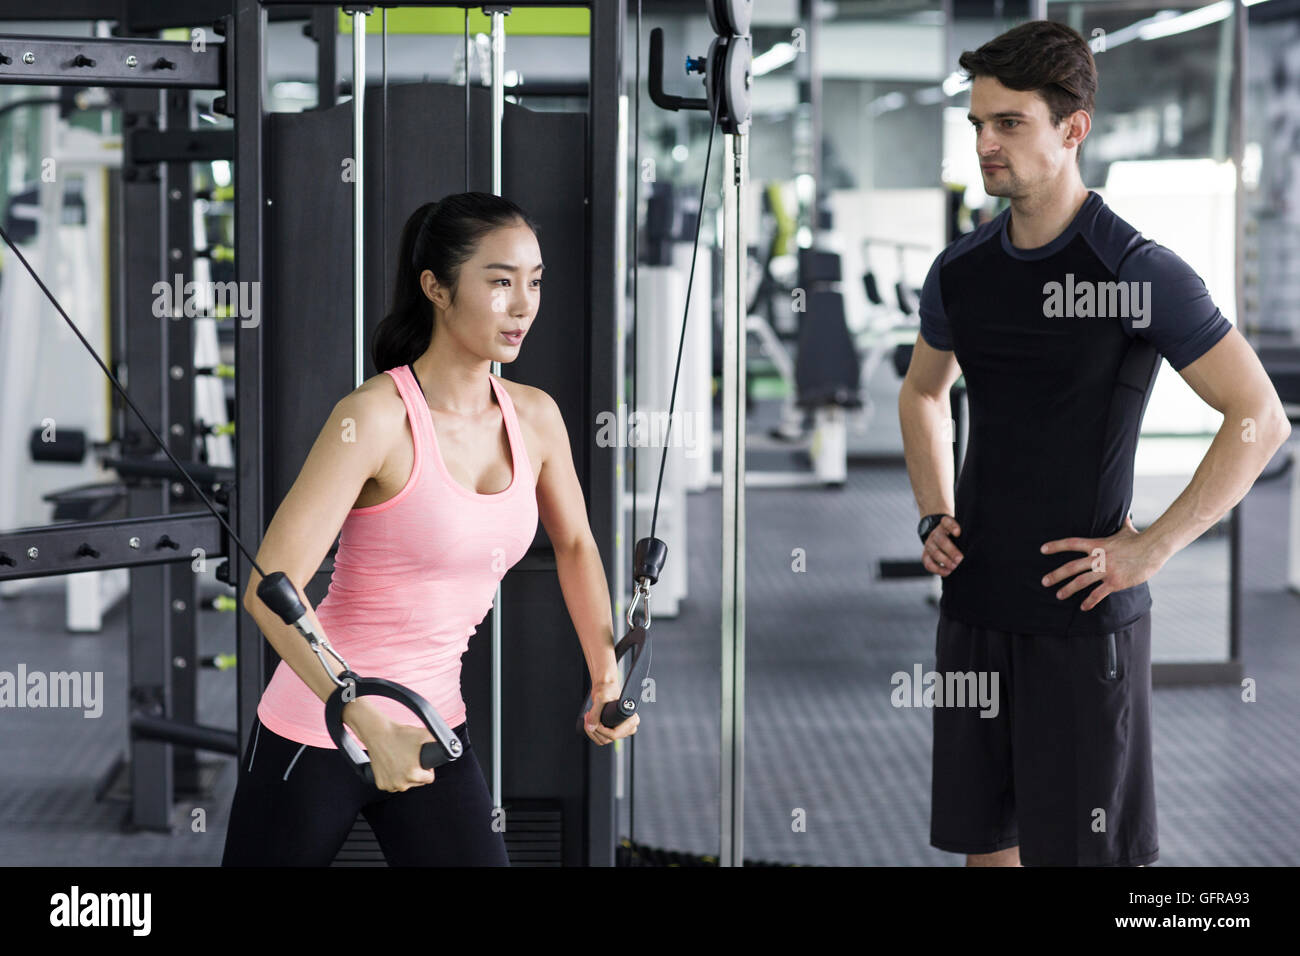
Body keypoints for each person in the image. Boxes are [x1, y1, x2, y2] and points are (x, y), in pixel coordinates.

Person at [899, 21, 1291, 867]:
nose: (986, 143)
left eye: (1010, 123)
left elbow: (1259, 417)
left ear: (1072, 128)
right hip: (974, 609)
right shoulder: (959, 273)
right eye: (977, 124)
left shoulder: (1137, 272)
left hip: (1083, 623)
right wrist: (933, 510)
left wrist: (1151, 548)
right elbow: (924, 392)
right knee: (985, 848)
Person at [222, 192, 637, 866]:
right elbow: (270, 586)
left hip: (433, 725)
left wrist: (604, 680)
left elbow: (577, 544)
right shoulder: (374, 417)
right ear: (436, 288)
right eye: (500, 282)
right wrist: (357, 712)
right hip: (318, 725)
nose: (524, 303)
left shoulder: (534, 418)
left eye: (534, 282)